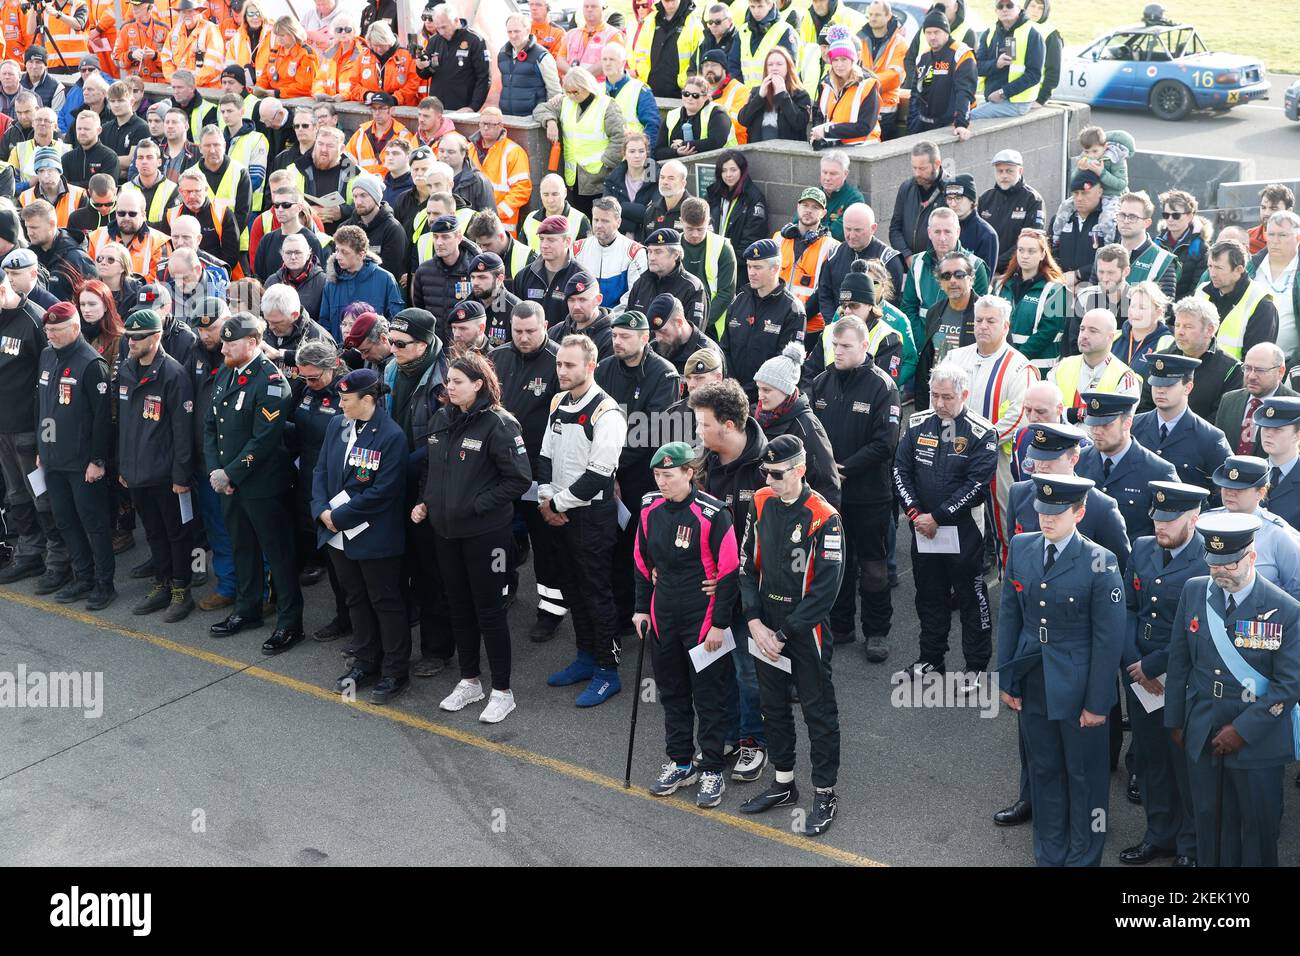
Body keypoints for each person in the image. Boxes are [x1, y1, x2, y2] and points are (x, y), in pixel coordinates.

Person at [997, 472, 1125, 866]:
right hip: (1034, 679)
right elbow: (1010, 616)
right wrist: (1007, 678)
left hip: (1079, 685)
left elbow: (1108, 640)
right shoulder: (1021, 547)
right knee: (1045, 769)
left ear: (1080, 512)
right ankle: (1049, 853)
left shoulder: (1101, 562)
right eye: (1041, 511)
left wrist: (1098, 704)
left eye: (1057, 513)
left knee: (1085, 776)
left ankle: (1084, 856)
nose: (1046, 519)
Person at [1165, 511, 1300, 867]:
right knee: (1208, 825)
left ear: (1252, 557)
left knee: (1256, 830)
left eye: (1230, 564)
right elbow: (1179, 662)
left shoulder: (1284, 610)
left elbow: (1288, 687)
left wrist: (1241, 731)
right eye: (1214, 563)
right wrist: (1177, 721)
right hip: (1202, 730)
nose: (1220, 571)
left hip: (1257, 740)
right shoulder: (1195, 591)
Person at [411, 351, 531, 722]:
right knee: (457, 607)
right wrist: (424, 502)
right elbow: (431, 471)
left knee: (489, 611)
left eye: (457, 382)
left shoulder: (500, 424)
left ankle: (502, 691)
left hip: (486, 537)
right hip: (446, 534)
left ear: (478, 384)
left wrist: (477, 505)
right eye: (448, 381)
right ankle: (470, 681)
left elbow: (519, 479)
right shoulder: (442, 418)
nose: (449, 386)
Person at [736, 433, 844, 834]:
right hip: (764, 626)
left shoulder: (824, 516)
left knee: (818, 713)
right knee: (773, 707)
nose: (769, 480)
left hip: (804, 631)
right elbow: (746, 565)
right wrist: (753, 621)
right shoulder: (761, 501)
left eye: (778, 474)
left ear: (800, 470)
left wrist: (782, 633)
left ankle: (825, 792)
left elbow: (825, 591)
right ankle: (783, 784)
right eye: (765, 473)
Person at [633, 439, 740, 807]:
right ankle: (680, 762)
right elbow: (641, 563)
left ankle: (711, 769)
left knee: (709, 699)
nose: (661, 482)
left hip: (703, 619)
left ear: (689, 473)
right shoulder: (648, 508)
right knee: (673, 695)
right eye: (657, 475)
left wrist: (719, 625)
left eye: (668, 475)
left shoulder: (713, 514)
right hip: (663, 618)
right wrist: (640, 608)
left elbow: (728, 573)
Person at [1110, 479, 1208, 866]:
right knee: (1151, 761)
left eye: (1171, 520)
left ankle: (1190, 846)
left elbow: (1199, 629)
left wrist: (1151, 665)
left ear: (1195, 517)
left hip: (1183, 678)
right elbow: (1128, 607)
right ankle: (1159, 835)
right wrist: (1135, 661)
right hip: (1141, 676)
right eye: (1157, 518)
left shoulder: (1206, 560)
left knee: (1184, 765)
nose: (1160, 527)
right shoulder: (1144, 548)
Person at [308, 366, 409, 702]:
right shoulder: (337, 425)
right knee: (355, 598)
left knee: (385, 601)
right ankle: (366, 660)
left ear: (368, 400)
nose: (340, 405)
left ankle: (395, 670)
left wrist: (338, 517)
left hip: (373, 535)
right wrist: (322, 511)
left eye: (346, 399)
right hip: (337, 532)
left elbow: (384, 490)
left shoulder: (391, 436)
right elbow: (320, 469)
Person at [204, 313, 303, 654]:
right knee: (241, 546)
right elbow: (210, 426)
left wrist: (230, 473)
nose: (224, 349)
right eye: (224, 342)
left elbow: (263, 440)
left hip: (262, 485)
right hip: (230, 483)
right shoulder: (226, 374)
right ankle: (247, 610)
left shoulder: (272, 382)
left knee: (278, 555)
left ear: (252, 342)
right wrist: (217, 471)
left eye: (231, 343)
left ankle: (290, 623)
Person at [894, 360, 997, 685]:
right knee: (928, 595)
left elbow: (978, 486)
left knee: (971, 598)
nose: (939, 403)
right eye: (934, 395)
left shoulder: (983, 432)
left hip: (964, 532)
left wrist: (938, 517)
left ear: (964, 394)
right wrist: (915, 514)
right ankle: (930, 659)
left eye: (947, 397)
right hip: (922, 528)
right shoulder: (917, 423)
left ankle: (976, 667)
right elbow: (900, 471)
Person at [540, 334, 629, 707]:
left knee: (596, 593)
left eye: (569, 365)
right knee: (574, 590)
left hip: (591, 517)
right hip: (559, 514)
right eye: (559, 363)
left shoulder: (607, 413)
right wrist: (546, 497)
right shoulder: (559, 401)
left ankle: (608, 672)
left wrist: (554, 503)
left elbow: (598, 476)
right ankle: (585, 658)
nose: (561, 370)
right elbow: (544, 454)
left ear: (590, 366)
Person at [808, 313, 899, 656]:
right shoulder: (822, 382)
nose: (838, 351)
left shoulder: (882, 387)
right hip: (831, 496)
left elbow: (885, 444)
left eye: (845, 346)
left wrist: (843, 468)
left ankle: (876, 632)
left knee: (873, 567)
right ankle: (842, 625)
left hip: (869, 494)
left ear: (864, 346)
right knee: (835, 562)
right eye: (834, 345)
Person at [596, 309, 681, 627]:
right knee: (612, 544)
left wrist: (612, 466)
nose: (617, 342)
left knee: (640, 546)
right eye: (615, 336)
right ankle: (617, 610)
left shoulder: (664, 374)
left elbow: (652, 432)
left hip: (642, 476)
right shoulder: (605, 369)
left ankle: (640, 610)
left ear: (645, 338)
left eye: (625, 337)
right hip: (608, 471)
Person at [492, 301, 567, 642]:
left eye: (530, 331)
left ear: (546, 326)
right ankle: (504, 588)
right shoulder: (498, 357)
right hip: (503, 470)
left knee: (546, 545)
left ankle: (550, 611)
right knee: (501, 537)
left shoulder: (558, 363)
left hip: (540, 471)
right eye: (517, 331)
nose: (523, 338)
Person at [116, 307, 196, 621]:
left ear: (156, 337)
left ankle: (181, 590)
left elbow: (182, 431)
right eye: (129, 337)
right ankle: (162, 582)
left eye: (137, 338)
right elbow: (123, 425)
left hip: (166, 475)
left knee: (176, 533)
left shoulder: (174, 375)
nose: (131, 342)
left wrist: (181, 475)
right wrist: (124, 467)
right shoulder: (125, 370)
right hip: (136, 472)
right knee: (152, 531)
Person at [37, 302, 115, 610]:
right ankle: (82, 577)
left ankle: (104, 583)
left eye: (56, 330)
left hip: (82, 464)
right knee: (65, 521)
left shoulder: (91, 364)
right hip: (53, 459)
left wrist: (97, 460)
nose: (51, 335)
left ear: (74, 328)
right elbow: (41, 406)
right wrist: (42, 450)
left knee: (93, 523)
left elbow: (101, 419)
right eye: (48, 330)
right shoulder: (46, 357)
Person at [947, 295, 1036, 563]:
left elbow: (1020, 415)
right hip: (956, 454)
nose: (983, 326)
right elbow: (937, 402)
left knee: (1007, 528)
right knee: (957, 523)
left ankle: (1012, 591)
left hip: (999, 461)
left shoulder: (1020, 365)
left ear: (1006, 326)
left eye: (991, 321)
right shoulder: (954, 357)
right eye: (979, 320)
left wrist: (981, 444)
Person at [0, 271, 68, 593]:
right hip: (3, 432)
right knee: (16, 496)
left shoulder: (34, 320)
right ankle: (30, 553)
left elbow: (52, 382)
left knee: (42, 498)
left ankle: (58, 561)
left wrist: (45, 436)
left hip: (30, 431)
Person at [1076, 392, 1178, 543]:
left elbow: (1171, 530)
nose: (1096, 431)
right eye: (1093, 423)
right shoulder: (1076, 462)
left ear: (1127, 423)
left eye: (1105, 424)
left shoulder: (1159, 472)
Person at [1130, 354, 1232, 492]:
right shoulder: (1132, 426)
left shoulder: (1210, 437)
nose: (1160, 390)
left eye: (1169, 385)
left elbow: (1226, 488)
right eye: (1156, 383)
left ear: (1188, 387)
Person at [535, 66, 626, 219]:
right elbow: (541, 109)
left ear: (586, 86)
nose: (571, 95)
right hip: (574, 176)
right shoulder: (565, 102)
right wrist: (550, 121)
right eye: (568, 92)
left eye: (575, 92)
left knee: (598, 218)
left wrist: (605, 164)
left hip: (599, 177)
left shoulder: (607, 105)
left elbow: (619, 138)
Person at [722, 238, 804, 403]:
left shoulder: (792, 309)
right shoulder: (739, 301)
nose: (751, 272)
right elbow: (725, 349)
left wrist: (747, 391)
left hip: (765, 399)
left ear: (775, 268)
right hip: (732, 394)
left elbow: (784, 364)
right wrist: (732, 387)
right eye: (749, 266)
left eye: (757, 267)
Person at [1139, 297, 1243, 424]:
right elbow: (1144, 407)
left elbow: (1221, 418)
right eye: (1177, 325)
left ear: (1210, 330)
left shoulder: (1232, 370)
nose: (1180, 332)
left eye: (1188, 327)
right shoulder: (1161, 359)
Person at [994, 227, 1066, 376]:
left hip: (1039, 372)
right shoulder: (1001, 285)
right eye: (1021, 250)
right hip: (1004, 366)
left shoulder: (1058, 290)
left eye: (1031, 251)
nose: (1024, 256)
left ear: (1042, 254)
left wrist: (1017, 359)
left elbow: (1048, 332)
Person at [773, 187, 838, 350]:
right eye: (805, 205)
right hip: (776, 321)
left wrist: (796, 317)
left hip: (811, 328)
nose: (809, 210)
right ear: (798, 207)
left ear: (823, 213)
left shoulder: (831, 248)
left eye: (815, 207)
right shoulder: (778, 238)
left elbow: (824, 292)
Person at [1048, 309, 1140, 424]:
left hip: (1101, 442)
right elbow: (1046, 412)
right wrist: (1087, 414)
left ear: (1110, 337)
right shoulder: (1061, 367)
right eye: (1082, 329)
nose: (1084, 335)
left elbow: (1117, 423)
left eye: (1093, 331)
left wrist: (1069, 413)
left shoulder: (1125, 377)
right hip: (1060, 441)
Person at [1197, 239, 1278, 363]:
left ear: (1239, 269)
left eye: (1219, 268)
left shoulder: (1262, 304)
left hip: (1235, 380)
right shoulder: (1202, 291)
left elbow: (1256, 362)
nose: (1212, 273)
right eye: (1210, 266)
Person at [319, 226, 404, 337]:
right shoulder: (331, 282)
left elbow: (395, 321)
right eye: (337, 250)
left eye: (344, 252)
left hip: (374, 351)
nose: (338, 256)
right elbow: (325, 323)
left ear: (361, 254)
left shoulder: (385, 279)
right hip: (339, 351)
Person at [1216, 343, 1295, 458]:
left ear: (1280, 372)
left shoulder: (1295, 406)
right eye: (1247, 368)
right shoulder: (1229, 400)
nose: (1252, 376)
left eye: (1260, 370)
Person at [907, 10, 975, 139]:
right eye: (928, 33)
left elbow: (965, 91)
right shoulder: (923, 57)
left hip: (947, 126)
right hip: (922, 124)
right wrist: (912, 126)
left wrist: (961, 124)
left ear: (946, 32)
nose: (932, 37)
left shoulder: (961, 53)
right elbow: (916, 93)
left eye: (936, 32)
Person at [970, 0, 1043, 120]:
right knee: (957, 114)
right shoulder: (989, 33)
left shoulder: (1032, 33)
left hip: (1017, 102)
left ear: (1019, 8)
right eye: (1000, 6)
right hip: (991, 98)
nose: (1004, 9)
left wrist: (1003, 93)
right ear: (996, 10)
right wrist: (996, 64)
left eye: (1009, 5)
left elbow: (1034, 75)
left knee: (969, 118)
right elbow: (976, 67)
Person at [574, 196, 647, 310]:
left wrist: (609, 320)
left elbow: (634, 295)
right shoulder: (578, 249)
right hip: (584, 317)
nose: (598, 225)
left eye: (605, 221)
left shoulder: (635, 252)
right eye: (596, 219)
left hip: (619, 322)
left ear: (618, 222)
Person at [625, 227, 708, 327]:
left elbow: (694, 332)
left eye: (658, 252)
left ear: (676, 255)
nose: (651, 257)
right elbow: (627, 323)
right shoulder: (641, 283)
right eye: (650, 251)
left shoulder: (692, 288)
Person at [467, 109, 532, 238]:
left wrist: (495, 213)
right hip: (472, 222)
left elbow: (522, 190)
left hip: (501, 226)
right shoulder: (469, 149)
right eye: (483, 123)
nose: (486, 128)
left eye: (491, 124)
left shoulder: (513, 152)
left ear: (501, 126)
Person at [514, 215, 586, 329]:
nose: (544, 245)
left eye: (551, 240)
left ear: (567, 241)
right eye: (542, 239)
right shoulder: (524, 276)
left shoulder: (580, 278)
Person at [1051, 169, 1117, 293]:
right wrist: (1061, 277)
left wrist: (1079, 274)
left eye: (1085, 193)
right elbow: (1051, 251)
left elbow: (1114, 258)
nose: (1079, 198)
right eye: (1075, 193)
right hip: (1061, 285)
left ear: (1099, 192)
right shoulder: (1061, 219)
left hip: (1097, 289)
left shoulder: (1110, 222)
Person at [979, 150, 1044, 275]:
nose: (1004, 175)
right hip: (985, 270)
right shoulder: (985, 198)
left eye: (1009, 171)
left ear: (1020, 171)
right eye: (1000, 171)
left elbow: (1031, 241)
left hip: (1017, 272)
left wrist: (995, 264)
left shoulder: (1032, 199)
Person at [810, 32, 880, 148]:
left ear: (853, 61)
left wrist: (827, 131)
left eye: (844, 59)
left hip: (864, 147)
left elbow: (865, 126)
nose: (839, 65)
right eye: (835, 60)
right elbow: (819, 115)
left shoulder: (868, 84)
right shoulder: (826, 83)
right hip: (835, 144)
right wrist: (817, 133)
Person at [416, 4, 490, 113]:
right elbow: (427, 74)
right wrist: (421, 68)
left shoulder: (474, 40)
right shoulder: (434, 41)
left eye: (444, 27)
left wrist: (473, 107)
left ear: (456, 21)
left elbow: (484, 78)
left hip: (462, 108)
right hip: (437, 108)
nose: (441, 31)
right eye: (438, 27)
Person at [1249, 211, 1300, 363]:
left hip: (1292, 366)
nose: (1275, 241)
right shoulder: (1250, 268)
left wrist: (1293, 366)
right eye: (1270, 234)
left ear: (1298, 238)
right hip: (1250, 364)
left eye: (1282, 235)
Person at [20, 199, 95, 302]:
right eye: (27, 227)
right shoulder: (28, 258)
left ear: (52, 224)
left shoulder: (77, 259)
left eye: (34, 227)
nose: (29, 233)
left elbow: (93, 302)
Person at [629, 0, 703, 99]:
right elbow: (639, 53)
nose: (670, 4)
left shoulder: (694, 25)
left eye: (673, 0)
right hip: (650, 92)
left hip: (682, 94)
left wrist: (687, 84)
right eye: (666, 1)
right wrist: (644, 79)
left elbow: (698, 61)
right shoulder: (651, 20)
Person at [736, 47, 811, 143]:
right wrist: (759, 97)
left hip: (788, 153)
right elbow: (743, 120)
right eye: (770, 65)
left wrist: (782, 94)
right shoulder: (756, 92)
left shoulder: (800, 94)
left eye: (779, 64)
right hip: (758, 151)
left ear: (788, 67)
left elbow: (799, 123)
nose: (774, 68)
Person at [706, 150, 769, 264]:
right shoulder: (714, 193)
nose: (728, 175)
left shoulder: (753, 198)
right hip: (712, 259)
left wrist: (729, 260)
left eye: (733, 170)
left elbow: (752, 238)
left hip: (736, 264)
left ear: (742, 171)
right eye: (724, 170)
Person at [1113, 191, 1178, 299]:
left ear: (1147, 223)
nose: (1125, 220)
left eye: (1133, 217)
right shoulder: (1103, 254)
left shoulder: (1163, 260)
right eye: (1122, 215)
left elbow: (1166, 310)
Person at [656, 73, 735, 161]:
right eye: (686, 94)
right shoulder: (672, 115)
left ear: (705, 97)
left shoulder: (718, 113)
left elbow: (715, 142)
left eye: (695, 95)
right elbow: (658, 151)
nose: (690, 98)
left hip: (721, 164)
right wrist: (677, 152)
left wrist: (684, 144)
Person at [498, 13, 562, 119]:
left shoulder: (542, 56)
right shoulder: (502, 54)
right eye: (510, 32)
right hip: (507, 118)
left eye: (517, 31)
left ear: (528, 31)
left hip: (533, 120)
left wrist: (550, 119)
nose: (513, 35)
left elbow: (555, 93)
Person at [1156, 189, 1212, 302]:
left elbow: (1197, 289)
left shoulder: (1201, 249)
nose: (1170, 219)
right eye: (1166, 215)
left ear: (1190, 216)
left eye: (1176, 215)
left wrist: (1173, 309)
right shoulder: (1156, 243)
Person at [1112, 280, 1171, 384]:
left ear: (1158, 312)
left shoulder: (1168, 344)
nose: (1135, 312)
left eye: (1142, 307)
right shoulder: (1113, 337)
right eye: (1133, 306)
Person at [547, 270, 615, 360]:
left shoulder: (611, 339)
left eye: (582, 300)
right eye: (571, 300)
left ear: (598, 299)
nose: (576, 306)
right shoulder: (555, 332)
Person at [602, 41, 659, 144]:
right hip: (602, 154)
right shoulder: (597, 89)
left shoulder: (640, 90)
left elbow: (652, 127)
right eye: (604, 59)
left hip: (632, 155)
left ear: (623, 62)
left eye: (612, 59)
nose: (607, 63)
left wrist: (646, 155)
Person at [161, 0, 226, 89]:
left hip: (207, 90)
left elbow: (213, 66)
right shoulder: (175, 31)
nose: (187, 15)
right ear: (179, 14)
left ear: (198, 12)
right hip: (180, 88)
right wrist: (175, 80)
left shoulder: (210, 30)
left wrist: (189, 83)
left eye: (190, 11)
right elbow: (166, 60)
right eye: (183, 12)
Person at [944, 174, 998, 276]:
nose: (953, 204)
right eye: (949, 198)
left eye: (958, 198)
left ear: (972, 200)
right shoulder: (941, 230)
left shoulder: (987, 235)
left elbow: (985, 279)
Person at [814, 151, 863, 245]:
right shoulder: (813, 194)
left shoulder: (854, 198)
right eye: (824, 172)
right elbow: (799, 221)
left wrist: (814, 228)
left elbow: (839, 233)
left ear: (845, 174)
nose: (827, 178)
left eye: (833, 174)